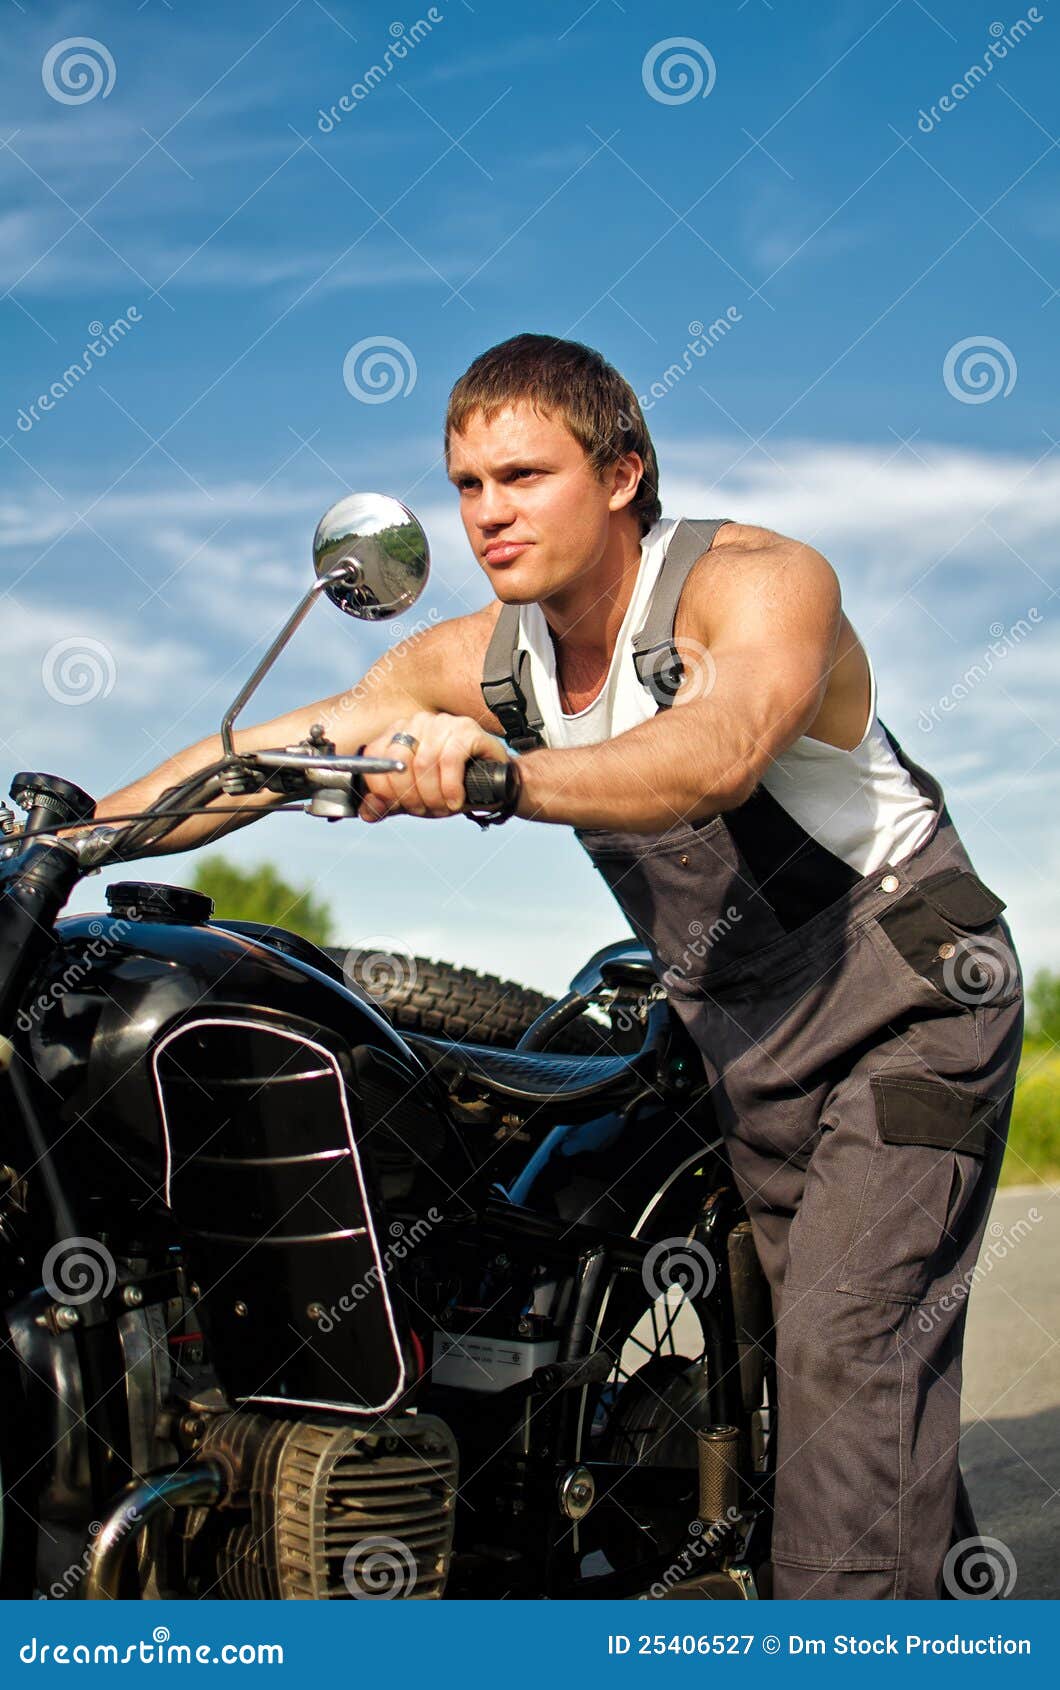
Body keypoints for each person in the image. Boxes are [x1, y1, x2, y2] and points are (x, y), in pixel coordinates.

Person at [94, 332, 1024, 1600]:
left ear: (623, 471)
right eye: (468, 484)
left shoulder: (754, 583)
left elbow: (717, 751)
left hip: (904, 999)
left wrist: (496, 776)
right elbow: (260, 755)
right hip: (746, 1039)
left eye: (524, 475)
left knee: (846, 1355)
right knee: (855, 1388)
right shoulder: (475, 660)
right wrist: (69, 834)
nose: (488, 513)